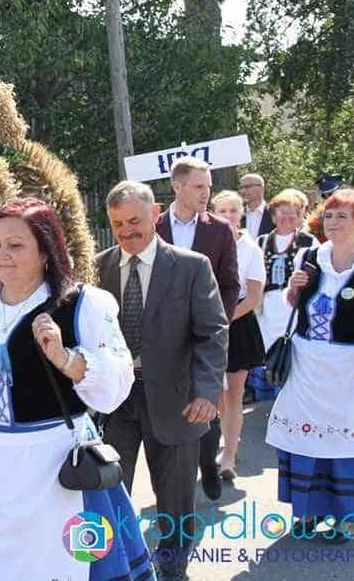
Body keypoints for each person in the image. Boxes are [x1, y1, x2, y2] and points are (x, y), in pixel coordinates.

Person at [0, 198, 153, 581]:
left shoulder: (84, 305)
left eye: (16, 246)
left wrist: (66, 359)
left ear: (46, 251)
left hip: (52, 465)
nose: (2, 256)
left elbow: (116, 386)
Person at [98, 181, 229, 580]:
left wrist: (206, 392)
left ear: (155, 214)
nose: (127, 231)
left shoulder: (191, 266)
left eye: (134, 221)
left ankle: (173, 568)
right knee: (107, 493)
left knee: (174, 501)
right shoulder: (97, 268)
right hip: (116, 401)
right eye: (118, 224)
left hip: (178, 402)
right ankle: (117, 566)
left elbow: (212, 333)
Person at [266, 189, 354, 543]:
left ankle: (346, 518)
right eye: (328, 215)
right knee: (306, 438)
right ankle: (308, 511)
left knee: (348, 443)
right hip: (307, 366)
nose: (333, 222)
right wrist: (294, 290)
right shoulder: (309, 258)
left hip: (351, 371)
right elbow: (297, 307)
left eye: (342, 216)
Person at [156, 156, 239, 501]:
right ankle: (173, 476)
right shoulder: (154, 226)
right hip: (161, 335)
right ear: (177, 186)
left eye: (209, 187)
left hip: (205, 334)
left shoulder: (219, 230)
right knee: (166, 402)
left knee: (206, 397)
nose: (206, 193)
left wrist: (218, 322)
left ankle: (208, 461)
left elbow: (231, 284)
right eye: (199, 186)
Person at [210, 190, 267, 481]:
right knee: (215, 393)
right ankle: (220, 442)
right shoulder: (207, 241)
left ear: (242, 213)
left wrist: (224, 319)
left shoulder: (251, 248)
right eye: (222, 210)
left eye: (233, 210)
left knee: (234, 393)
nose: (228, 216)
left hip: (238, 323)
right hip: (207, 323)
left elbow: (254, 297)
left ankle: (229, 457)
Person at [248, 190, 320, 402]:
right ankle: (273, 396)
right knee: (269, 348)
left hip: (295, 305)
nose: (287, 217)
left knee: (294, 349)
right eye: (282, 212)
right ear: (273, 216)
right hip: (267, 307)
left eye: (293, 212)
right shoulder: (261, 241)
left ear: (300, 215)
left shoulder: (309, 242)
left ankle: (295, 396)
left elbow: (317, 273)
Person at [240, 173, 275, 238]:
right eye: (241, 187)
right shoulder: (237, 215)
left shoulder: (274, 213)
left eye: (247, 187)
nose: (243, 191)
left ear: (262, 188)